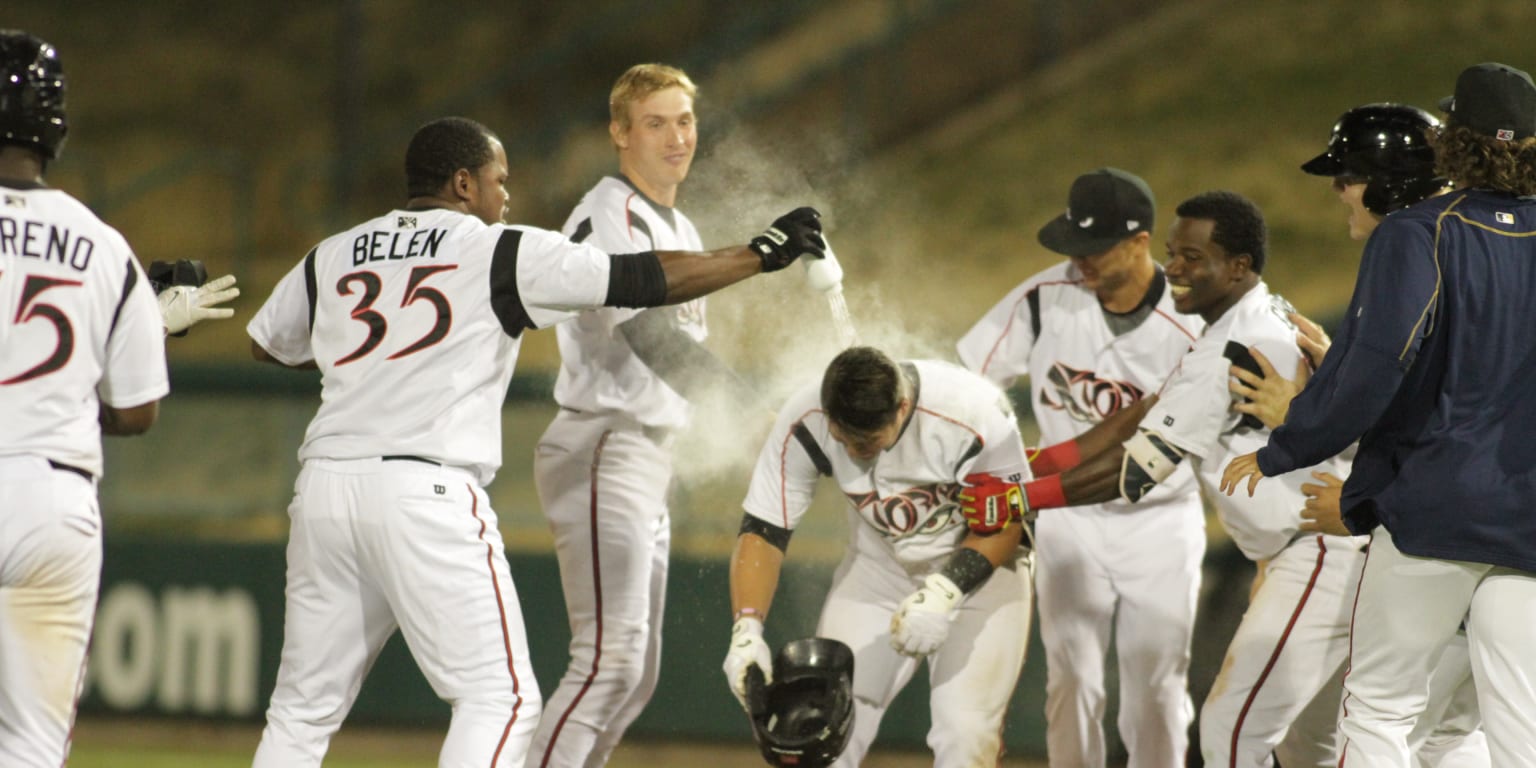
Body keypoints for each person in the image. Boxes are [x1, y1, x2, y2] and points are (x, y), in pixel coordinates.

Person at [246, 115, 828, 768]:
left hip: (325, 487)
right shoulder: (497, 250)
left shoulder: (334, 250)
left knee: (300, 708)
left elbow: (269, 342)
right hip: (426, 489)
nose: (507, 196)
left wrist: (369, 366)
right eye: (500, 180)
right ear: (464, 183)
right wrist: (758, 254)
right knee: (500, 697)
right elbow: (639, 278)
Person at [1221, 61, 1536, 766]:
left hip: (1435, 511)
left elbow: (1378, 368)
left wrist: (1287, 445)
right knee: (1519, 728)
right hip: (1529, 521)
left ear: (1453, 142)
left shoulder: (1422, 232)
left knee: (1382, 707)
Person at [1014, 191, 1365, 765]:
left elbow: (1138, 472)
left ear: (1239, 266)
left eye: (1193, 257)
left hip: (1317, 554)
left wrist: (1024, 497)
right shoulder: (1256, 313)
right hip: (1319, 551)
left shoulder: (1232, 341)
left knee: (1232, 729)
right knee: (1312, 744)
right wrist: (1038, 463)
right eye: (1174, 253)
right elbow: (1145, 412)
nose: (1174, 268)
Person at [0, 30, 238, 768]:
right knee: (32, 746)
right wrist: (75, 399)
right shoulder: (103, 245)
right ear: (56, 127)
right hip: (53, 501)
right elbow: (136, 412)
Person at [527, 63, 767, 767]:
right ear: (619, 133)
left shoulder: (679, 223)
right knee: (607, 663)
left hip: (642, 449)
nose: (675, 137)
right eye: (655, 122)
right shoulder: (610, 210)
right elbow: (650, 335)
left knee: (631, 674)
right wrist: (753, 411)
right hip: (606, 441)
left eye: (684, 120)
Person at [956, 168, 1204, 768]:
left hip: (1161, 522)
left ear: (1141, 243)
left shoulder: (1193, 318)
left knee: (1154, 690)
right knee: (1071, 681)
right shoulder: (1044, 297)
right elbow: (969, 385)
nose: (1080, 260)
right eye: (1074, 245)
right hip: (1068, 515)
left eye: (1094, 248)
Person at [722, 346, 1034, 767]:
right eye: (842, 436)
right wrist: (746, 629)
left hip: (980, 573)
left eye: (867, 440)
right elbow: (764, 528)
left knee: (964, 733)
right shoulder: (806, 417)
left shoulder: (974, 412)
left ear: (902, 408)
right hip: (879, 568)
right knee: (821, 727)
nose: (853, 449)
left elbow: (1008, 522)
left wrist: (944, 591)